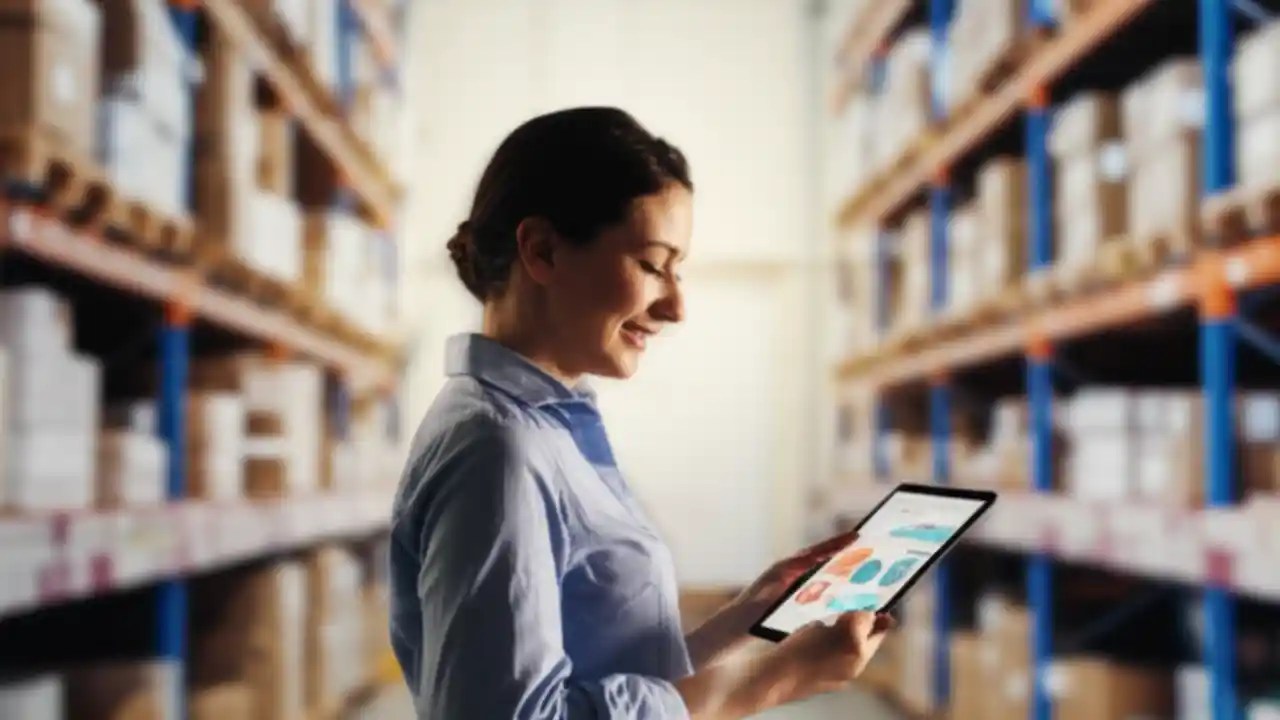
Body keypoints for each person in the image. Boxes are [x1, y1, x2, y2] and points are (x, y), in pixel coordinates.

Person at [389, 106, 895, 719]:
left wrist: (748, 615)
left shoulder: (546, 427)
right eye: (654, 265)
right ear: (543, 251)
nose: (676, 307)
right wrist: (774, 680)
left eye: (678, 271)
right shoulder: (499, 449)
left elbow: (603, 671)